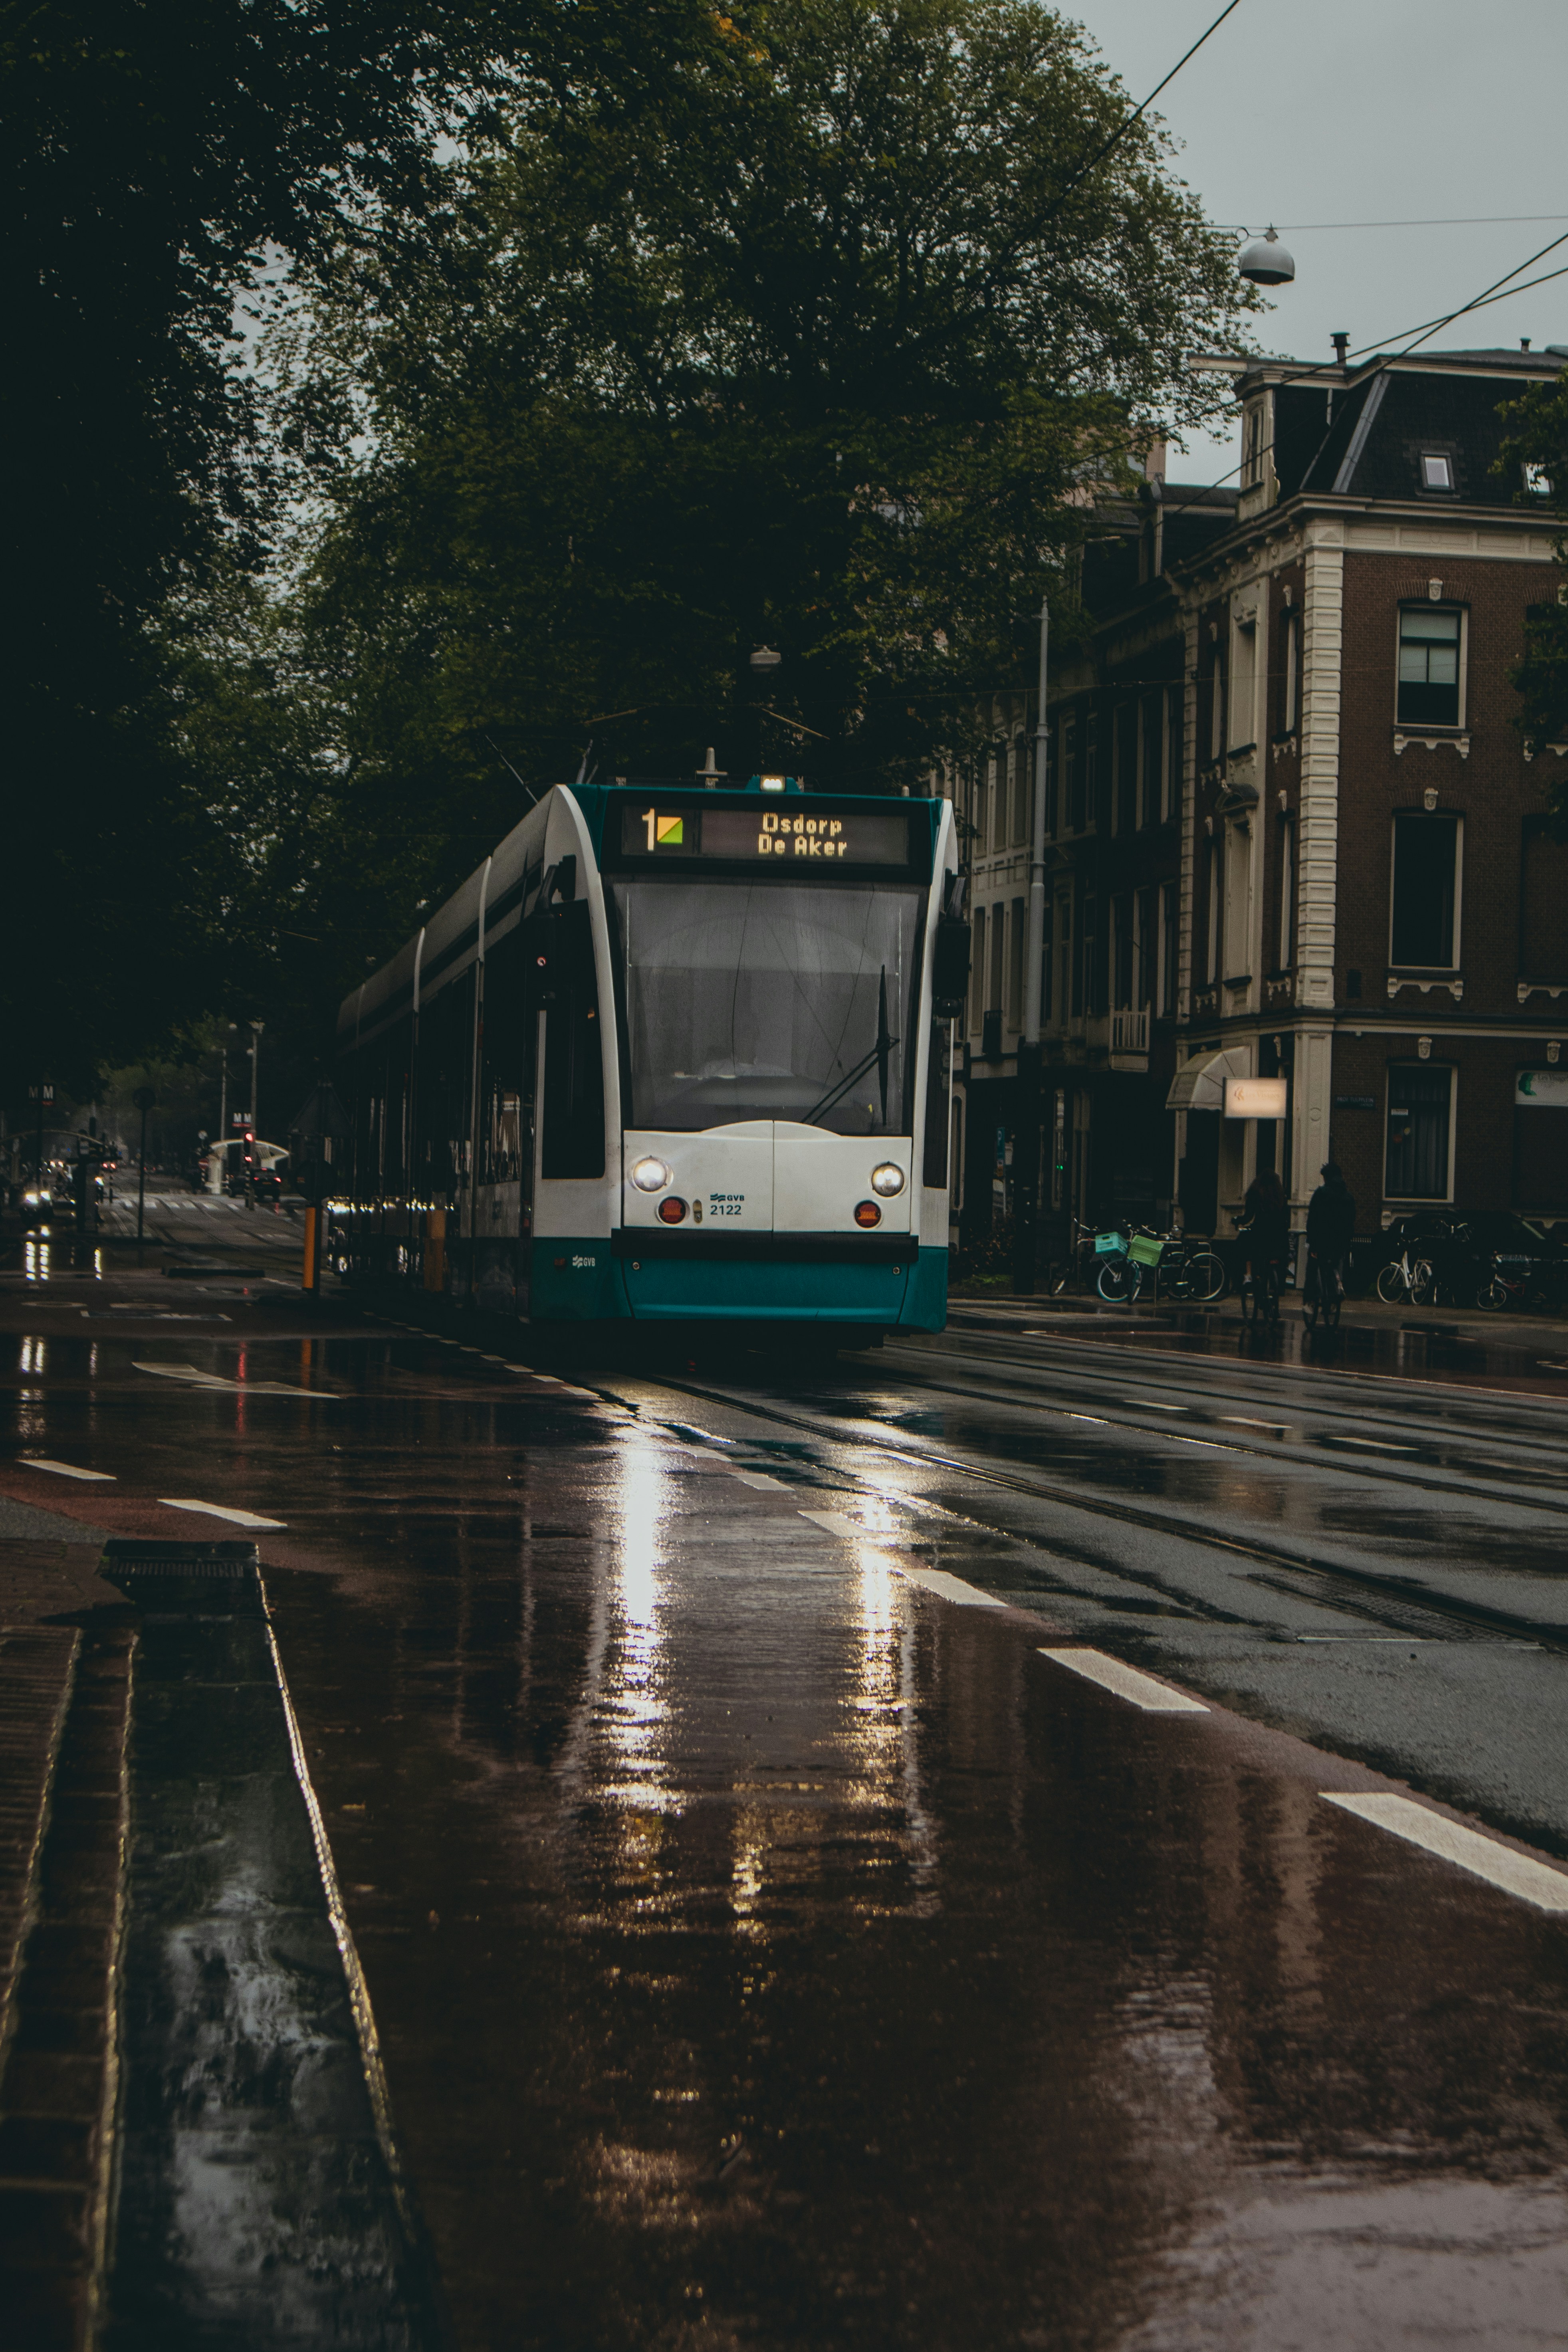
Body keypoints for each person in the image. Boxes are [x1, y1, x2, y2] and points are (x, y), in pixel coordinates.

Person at [1305, 1161, 1356, 1309]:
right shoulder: (1348, 1196)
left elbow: (1313, 1219)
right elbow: (1352, 1218)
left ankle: (1311, 1301)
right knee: (1335, 1263)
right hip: (1341, 1241)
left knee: (1313, 1266)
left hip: (1322, 1241)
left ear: (1326, 1178)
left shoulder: (1321, 1194)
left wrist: (1312, 1240)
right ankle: (1338, 1284)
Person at [1239, 1168, 1289, 1314]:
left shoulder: (1256, 1193)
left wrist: (1238, 1220)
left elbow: (1248, 1216)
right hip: (1279, 1236)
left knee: (1248, 1248)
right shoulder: (1281, 1195)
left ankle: (1248, 1276)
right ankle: (1276, 1293)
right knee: (1277, 1260)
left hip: (1261, 1235)